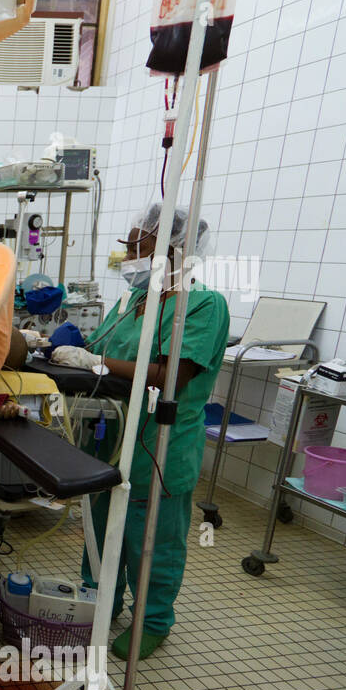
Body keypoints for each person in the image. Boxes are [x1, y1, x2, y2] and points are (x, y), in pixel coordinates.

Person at [53, 202, 229, 660]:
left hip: (161, 441)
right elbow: (104, 348)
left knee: (151, 538)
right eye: (129, 246)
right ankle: (101, 599)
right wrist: (67, 347)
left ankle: (152, 621)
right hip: (110, 434)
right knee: (100, 523)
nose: (128, 257)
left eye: (137, 247)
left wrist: (94, 360)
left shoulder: (202, 305)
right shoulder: (135, 300)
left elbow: (171, 375)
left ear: (174, 250)